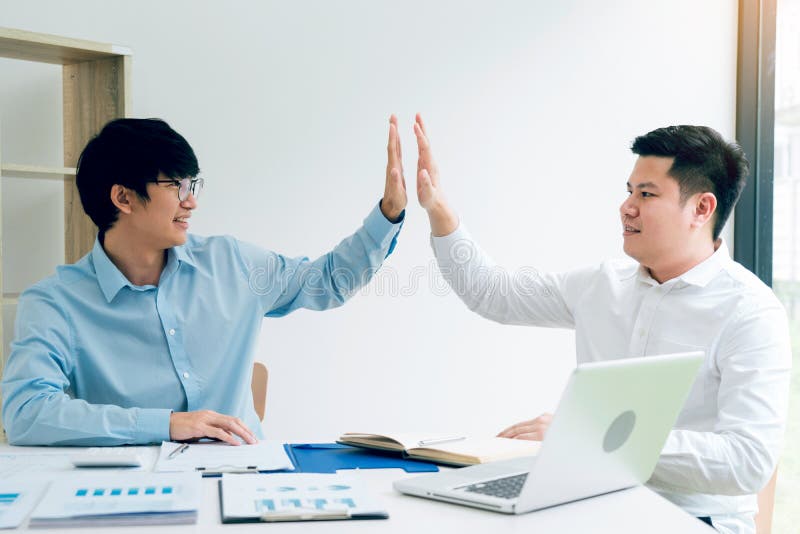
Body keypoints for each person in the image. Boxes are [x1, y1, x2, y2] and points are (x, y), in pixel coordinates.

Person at [412, 114, 791, 533]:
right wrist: (438, 208)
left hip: (696, 520)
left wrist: (589, 439)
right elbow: (492, 294)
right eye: (630, 191)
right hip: (596, 507)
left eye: (646, 194)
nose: (627, 207)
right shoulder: (603, 285)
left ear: (701, 208)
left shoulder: (751, 312)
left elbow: (747, 462)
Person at [2, 116, 407, 446]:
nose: (191, 201)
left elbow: (327, 282)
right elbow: (25, 412)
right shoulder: (55, 303)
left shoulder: (233, 264)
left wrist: (388, 214)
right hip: (134, 491)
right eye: (176, 186)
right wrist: (165, 424)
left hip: (243, 478)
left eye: (192, 184)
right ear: (123, 198)